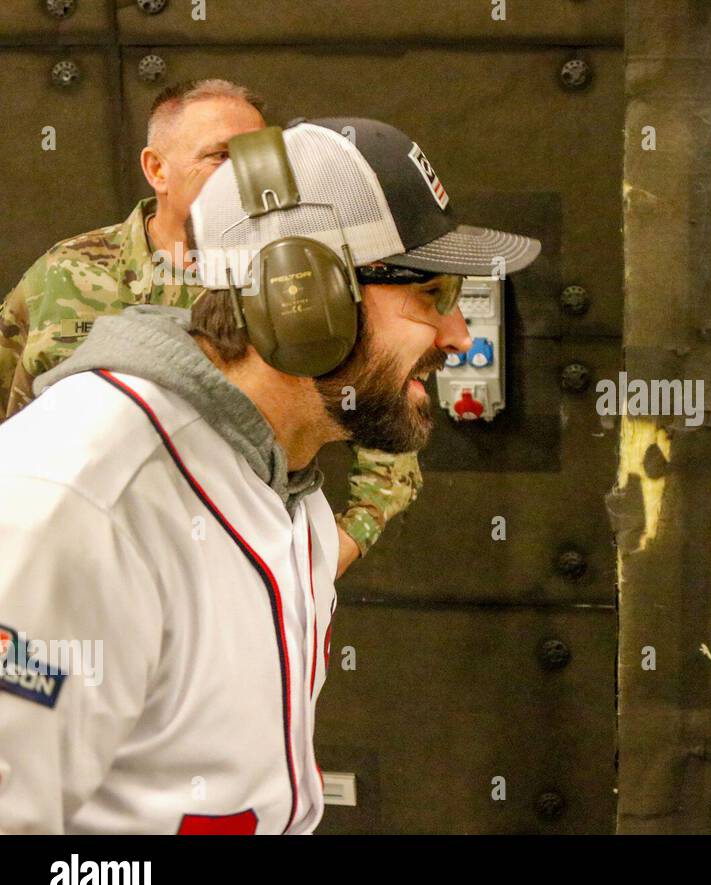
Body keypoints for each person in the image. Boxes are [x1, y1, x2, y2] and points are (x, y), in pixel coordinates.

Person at [0, 118, 540, 833]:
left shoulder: (285, 486)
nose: (458, 336)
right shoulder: (81, 498)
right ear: (304, 298)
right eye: (433, 293)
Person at [0, 79, 413, 576]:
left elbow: (381, 416)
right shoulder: (64, 274)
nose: (243, 176)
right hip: (73, 566)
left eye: (257, 156)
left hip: (235, 572)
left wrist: (340, 545)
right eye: (220, 157)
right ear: (157, 169)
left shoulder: (297, 283)